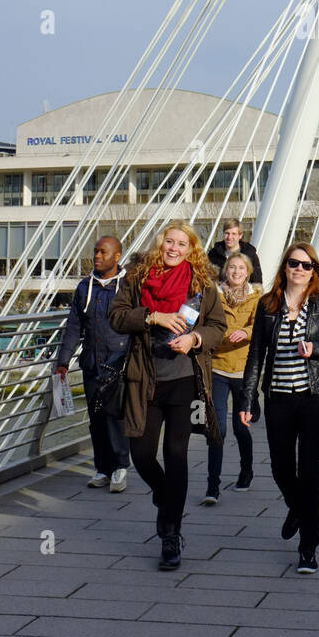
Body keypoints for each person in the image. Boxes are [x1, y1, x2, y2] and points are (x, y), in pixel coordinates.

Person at [109, 222, 226, 570]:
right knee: (141, 453)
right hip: (144, 379)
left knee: (176, 452)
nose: (174, 249)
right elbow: (115, 316)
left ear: (192, 250)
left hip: (186, 380)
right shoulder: (136, 277)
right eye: (169, 242)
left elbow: (218, 327)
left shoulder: (202, 284)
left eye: (182, 244)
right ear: (160, 244)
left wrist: (195, 339)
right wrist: (153, 316)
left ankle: (171, 534)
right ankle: (164, 495)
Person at [239, 241, 319, 574]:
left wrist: (315, 348)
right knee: (280, 466)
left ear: (314, 271)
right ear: (284, 267)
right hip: (278, 399)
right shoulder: (267, 305)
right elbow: (256, 354)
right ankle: (297, 507)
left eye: (306, 265)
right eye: (293, 263)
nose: (299, 270)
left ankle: (308, 548)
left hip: (314, 396)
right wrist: (248, 398)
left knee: (309, 470)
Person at [54, 236, 130, 492]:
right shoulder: (84, 287)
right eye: (95, 252)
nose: (97, 256)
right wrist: (63, 361)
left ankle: (120, 467)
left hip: (117, 363)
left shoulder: (129, 286)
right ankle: (102, 468)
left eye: (103, 252)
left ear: (117, 256)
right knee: (96, 417)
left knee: (114, 415)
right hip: (91, 362)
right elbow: (74, 327)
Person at [201, 250, 261, 504]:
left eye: (241, 268)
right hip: (218, 367)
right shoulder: (213, 294)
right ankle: (212, 486)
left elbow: (260, 325)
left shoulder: (257, 297)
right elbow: (207, 322)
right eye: (232, 267)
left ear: (248, 273)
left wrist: (246, 333)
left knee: (240, 427)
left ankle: (246, 471)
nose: (236, 272)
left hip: (244, 369)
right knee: (217, 429)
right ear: (225, 270)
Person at [208, 217, 263, 286]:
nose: (229, 237)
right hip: (220, 294)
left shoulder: (250, 254)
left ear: (240, 235)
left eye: (233, 234)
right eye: (227, 233)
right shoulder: (213, 254)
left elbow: (257, 281)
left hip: (244, 294)